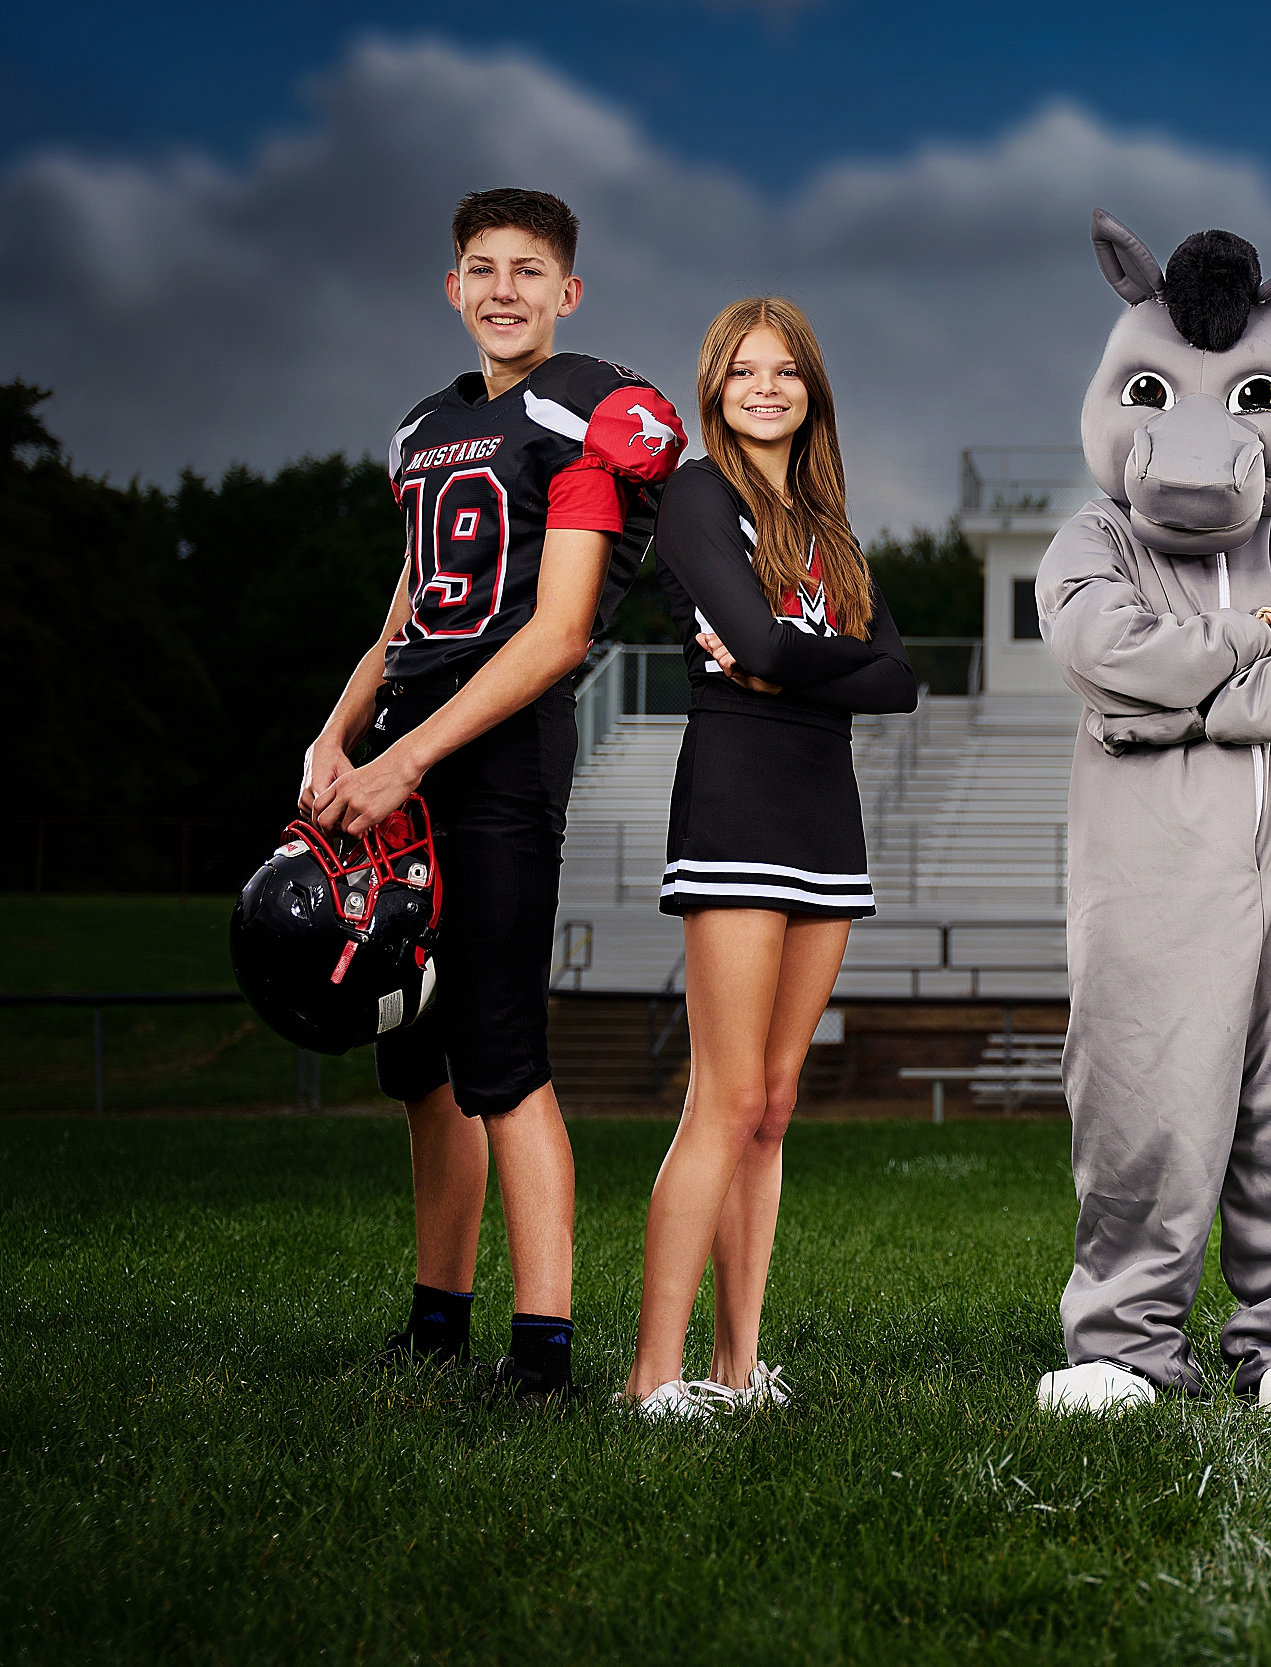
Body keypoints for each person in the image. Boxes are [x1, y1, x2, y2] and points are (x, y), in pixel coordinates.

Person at [300, 188, 684, 1399]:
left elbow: (560, 631)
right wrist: (337, 732)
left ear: (567, 293)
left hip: (500, 755)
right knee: (418, 1059)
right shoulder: (421, 426)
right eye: (483, 266)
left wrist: (406, 759)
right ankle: (435, 1318)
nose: (504, 287)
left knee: (502, 1053)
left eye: (530, 269)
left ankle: (543, 1347)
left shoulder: (582, 409)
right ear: (452, 287)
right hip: (402, 752)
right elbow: (407, 612)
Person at [1033, 213, 1271, 1415]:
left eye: (1252, 394)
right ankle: (1121, 1344)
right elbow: (1103, 655)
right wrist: (1250, 642)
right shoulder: (1090, 539)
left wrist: (1182, 708)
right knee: (1144, 1092)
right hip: (1152, 871)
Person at [619, 298, 917, 1420]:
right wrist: (783, 659)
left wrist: (787, 661)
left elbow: (897, 676)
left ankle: (738, 1371)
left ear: (811, 392)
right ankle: (652, 1376)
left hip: (822, 812)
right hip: (738, 803)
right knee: (724, 1095)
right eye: (744, 371)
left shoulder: (829, 524)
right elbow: (757, 641)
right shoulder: (699, 493)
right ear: (716, 388)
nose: (765, 388)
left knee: (777, 1102)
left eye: (785, 372)